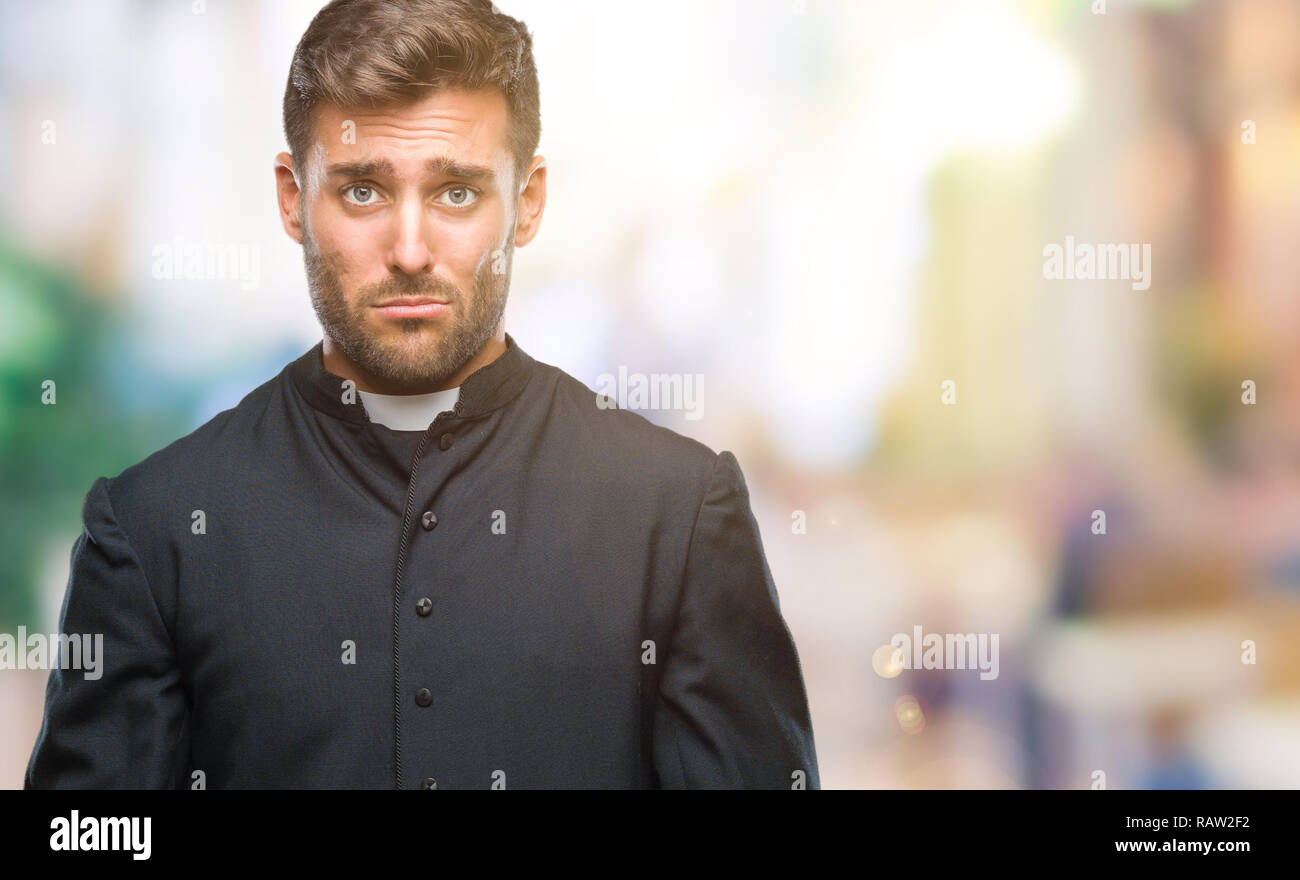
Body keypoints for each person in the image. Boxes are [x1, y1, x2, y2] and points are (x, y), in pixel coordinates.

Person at [25, 0, 819, 789]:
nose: (410, 250)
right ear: (292, 198)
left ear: (529, 201)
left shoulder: (676, 516)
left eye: (458, 193)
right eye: (363, 191)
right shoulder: (154, 530)